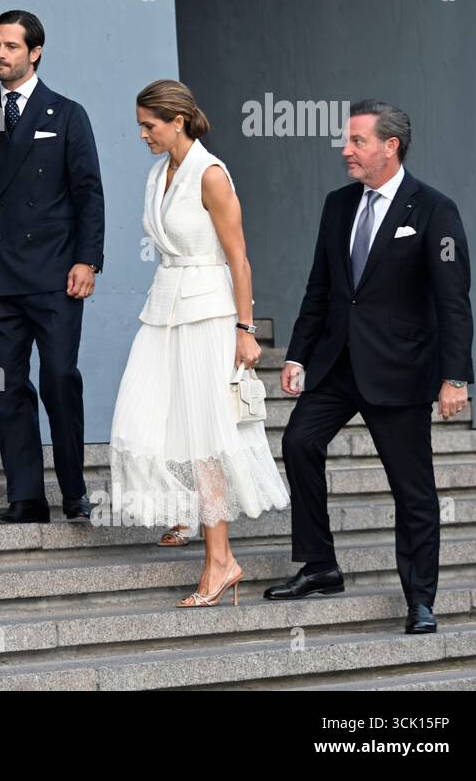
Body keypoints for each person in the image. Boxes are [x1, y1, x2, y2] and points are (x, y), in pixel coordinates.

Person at [267, 100, 473, 635]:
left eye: (357, 141)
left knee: (412, 489)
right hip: (337, 365)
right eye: (347, 140)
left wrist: (455, 377)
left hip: (400, 370)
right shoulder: (338, 205)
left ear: (390, 147)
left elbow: (454, 300)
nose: (346, 150)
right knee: (298, 443)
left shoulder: (433, 209)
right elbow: (321, 288)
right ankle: (320, 565)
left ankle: (420, 599)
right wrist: (297, 355)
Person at [109, 80, 289, 607]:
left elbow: (239, 258)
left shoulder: (210, 174)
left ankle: (221, 561)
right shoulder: (157, 173)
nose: (142, 134)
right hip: (164, 308)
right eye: (141, 125)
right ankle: (186, 513)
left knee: (205, 436)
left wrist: (245, 329)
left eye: (150, 125)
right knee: (143, 419)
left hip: (210, 314)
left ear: (179, 121)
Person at [0, 10, 104, 525]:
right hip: (1, 280)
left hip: (58, 276)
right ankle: (27, 498)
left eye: (11, 46)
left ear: (35, 52)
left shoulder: (67, 114)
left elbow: (88, 194)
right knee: (7, 388)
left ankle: (74, 491)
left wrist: (88, 260)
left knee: (60, 379)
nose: (0, 55)